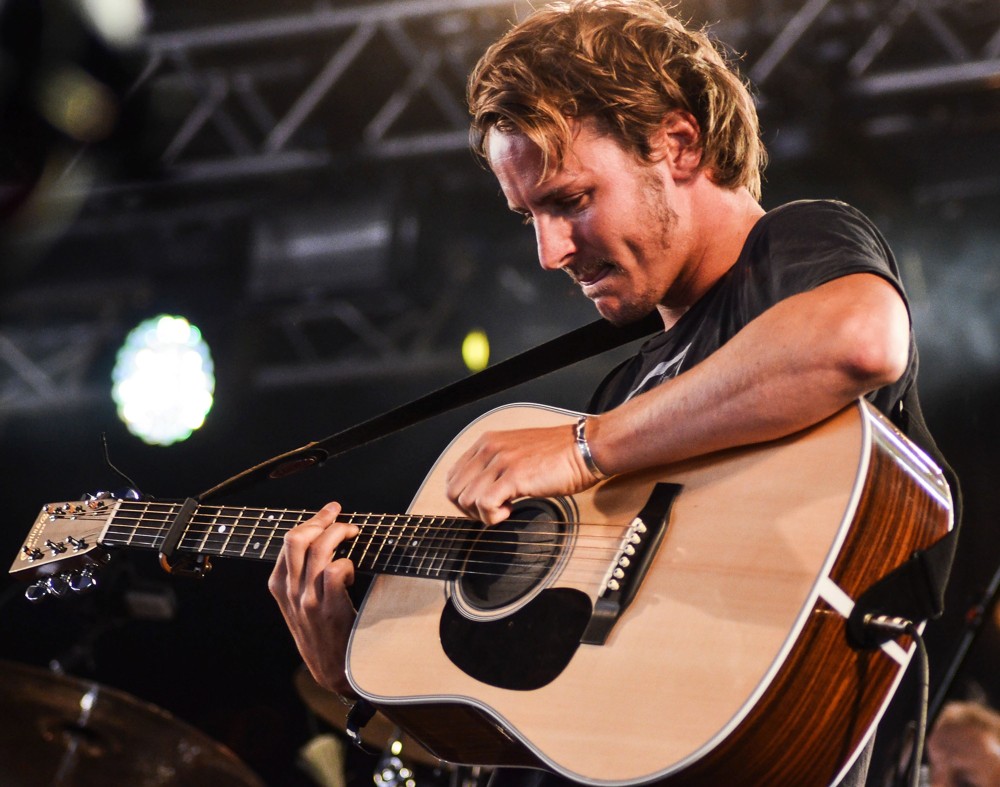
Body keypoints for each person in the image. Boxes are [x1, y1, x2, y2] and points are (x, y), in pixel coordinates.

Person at [269, 2, 953, 785]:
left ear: (679, 144)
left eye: (569, 199)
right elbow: (546, 733)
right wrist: (357, 686)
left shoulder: (795, 245)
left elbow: (859, 337)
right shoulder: (626, 390)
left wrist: (583, 446)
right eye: (528, 216)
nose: (549, 251)